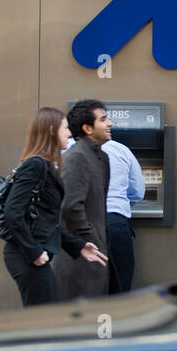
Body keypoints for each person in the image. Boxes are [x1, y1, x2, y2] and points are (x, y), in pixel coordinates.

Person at [2, 107, 108, 307]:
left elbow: (46, 220)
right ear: (52, 131)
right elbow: (12, 212)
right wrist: (33, 252)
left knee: (43, 315)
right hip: (27, 256)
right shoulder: (35, 165)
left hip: (32, 254)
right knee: (43, 317)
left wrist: (78, 245)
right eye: (66, 128)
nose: (70, 134)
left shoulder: (46, 165)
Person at [55, 98, 119, 299]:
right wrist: (92, 239)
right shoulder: (77, 157)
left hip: (94, 251)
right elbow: (71, 207)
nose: (110, 123)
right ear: (87, 128)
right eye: (103, 119)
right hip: (81, 255)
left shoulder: (100, 156)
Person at [101, 137, 144, 291]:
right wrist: (122, 202)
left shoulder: (67, 149)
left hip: (80, 225)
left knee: (85, 288)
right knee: (119, 285)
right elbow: (138, 191)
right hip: (115, 222)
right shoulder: (121, 149)